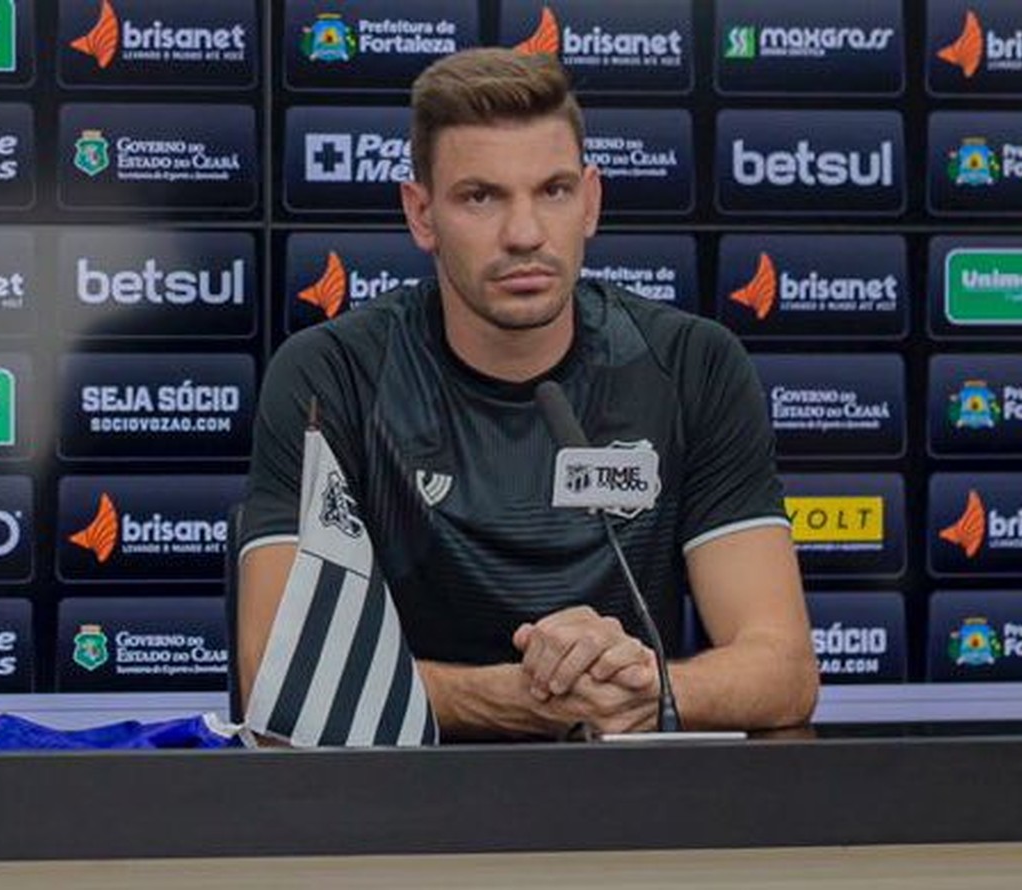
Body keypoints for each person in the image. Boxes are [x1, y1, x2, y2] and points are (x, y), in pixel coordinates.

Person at [237, 47, 818, 739]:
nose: (524, 234)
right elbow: (277, 674)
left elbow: (783, 670)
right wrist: (527, 697)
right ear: (421, 214)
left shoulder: (693, 365)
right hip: (397, 814)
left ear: (592, 202)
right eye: (481, 197)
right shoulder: (330, 375)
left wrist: (644, 686)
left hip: (631, 813)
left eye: (554, 191)